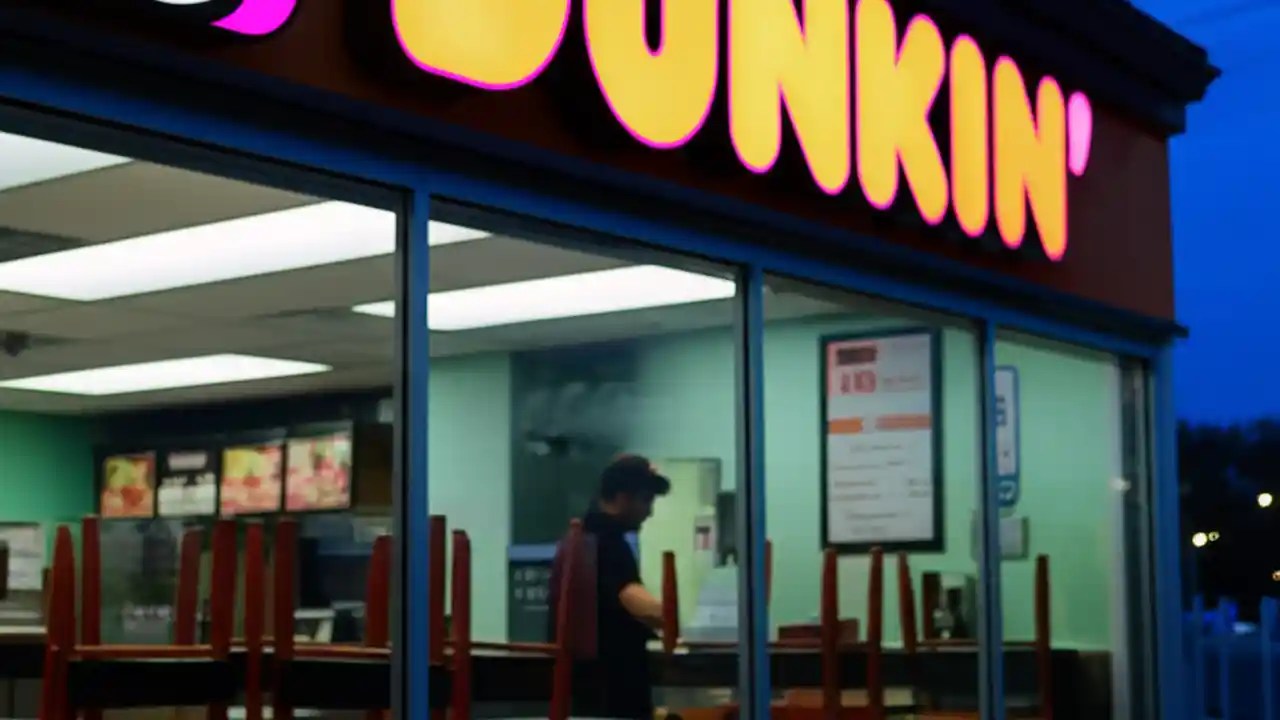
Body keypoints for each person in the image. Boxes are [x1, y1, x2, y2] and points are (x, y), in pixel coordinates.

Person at [549, 454, 671, 720]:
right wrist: (670, 618)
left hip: (585, 692)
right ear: (623, 497)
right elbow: (638, 603)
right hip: (613, 693)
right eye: (646, 500)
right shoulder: (607, 544)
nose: (649, 512)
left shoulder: (577, 539)